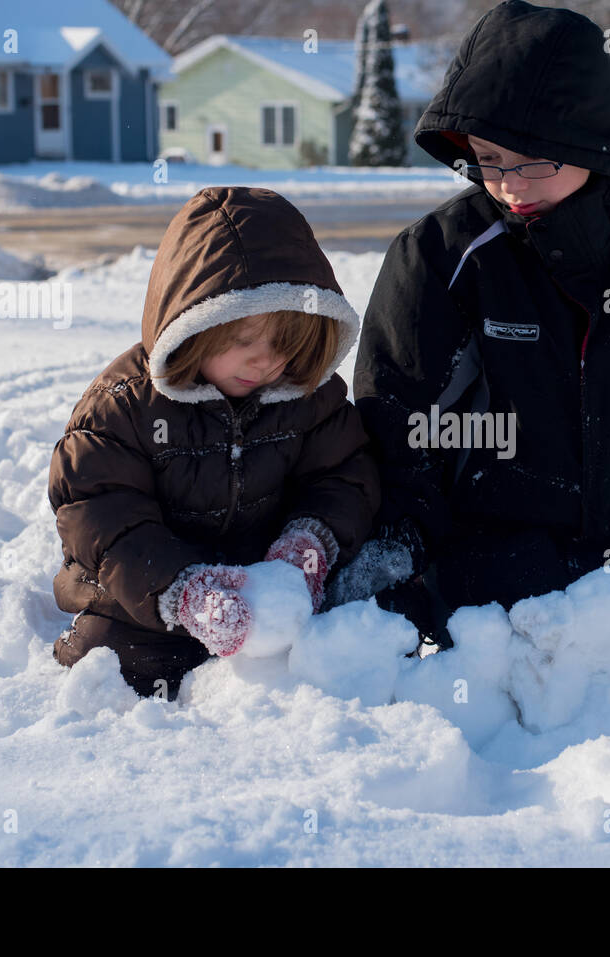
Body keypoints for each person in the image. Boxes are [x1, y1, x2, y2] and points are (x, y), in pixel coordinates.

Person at [326, 0, 610, 648]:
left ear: (588, 142)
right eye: (488, 158)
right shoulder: (441, 257)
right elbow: (396, 421)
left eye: (532, 160)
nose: (508, 184)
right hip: (489, 587)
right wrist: (401, 538)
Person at [49, 186, 380, 698]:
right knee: (114, 657)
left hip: (267, 581)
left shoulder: (308, 396)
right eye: (243, 340)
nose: (266, 362)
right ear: (193, 328)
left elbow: (343, 477)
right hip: (149, 594)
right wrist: (183, 591)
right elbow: (103, 518)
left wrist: (307, 547)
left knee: (348, 631)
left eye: (286, 344)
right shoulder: (123, 407)